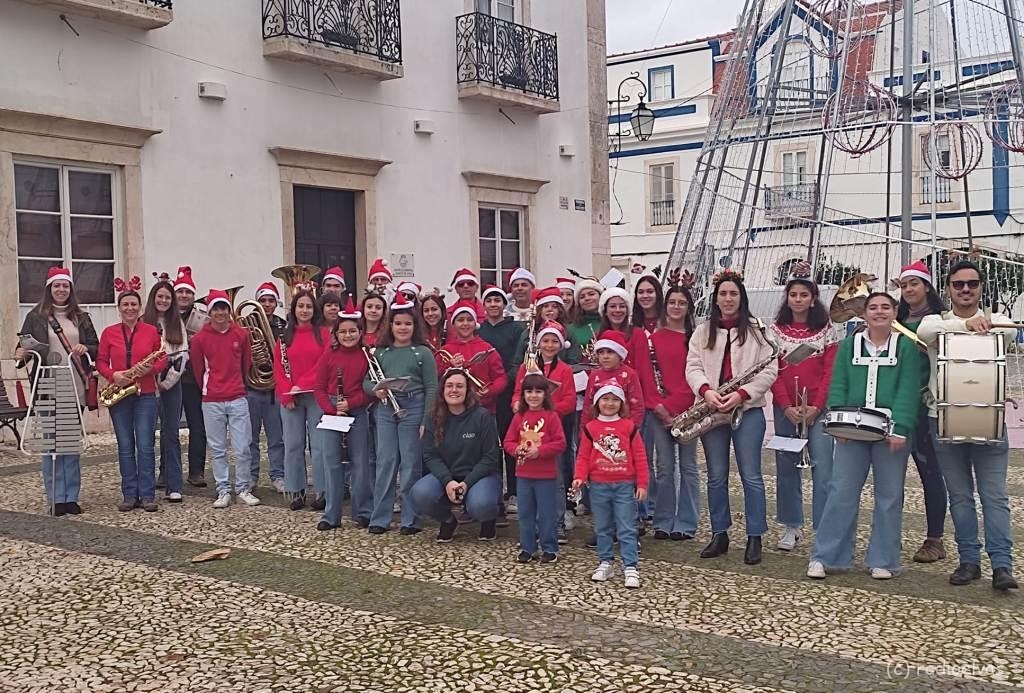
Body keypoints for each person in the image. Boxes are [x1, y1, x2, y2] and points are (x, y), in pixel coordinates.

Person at [917, 260, 1018, 591]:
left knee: (995, 496)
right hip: (942, 419)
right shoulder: (935, 320)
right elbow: (925, 333)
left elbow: (1009, 330)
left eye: (972, 284)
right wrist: (969, 326)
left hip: (988, 419)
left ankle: (1002, 565)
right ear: (948, 288)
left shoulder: (998, 321)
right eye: (958, 284)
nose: (965, 290)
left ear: (980, 288)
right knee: (960, 496)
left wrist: (979, 324)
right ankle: (968, 561)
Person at [808, 291, 920, 581]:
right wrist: (837, 423)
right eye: (873, 308)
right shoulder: (849, 345)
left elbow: (908, 389)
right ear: (865, 313)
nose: (879, 312)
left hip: (890, 432)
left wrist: (901, 428)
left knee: (889, 496)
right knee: (841, 492)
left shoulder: (906, 347)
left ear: (895, 312)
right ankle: (827, 556)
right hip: (851, 429)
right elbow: (838, 383)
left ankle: (883, 558)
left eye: (885, 307)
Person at [685, 269, 777, 566]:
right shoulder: (702, 331)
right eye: (723, 294)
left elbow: (770, 369)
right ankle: (719, 532)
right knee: (715, 476)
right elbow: (693, 366)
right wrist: (706, 392)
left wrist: (742, 394)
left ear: (742, 297)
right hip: (712, 407)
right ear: (715, 298)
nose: (728, 298)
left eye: (733, 293)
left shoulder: (758, 329)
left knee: (751, 476)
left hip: (747, 409)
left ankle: (755, 535)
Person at [16, 266, 99, 516]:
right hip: (48, 385)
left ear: (70, 289)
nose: (61, 290)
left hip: (74, 385)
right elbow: (23, 345)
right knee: (51, 445)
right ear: (49, 289)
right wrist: (21, 353)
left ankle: (71, 497)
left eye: (65, 286)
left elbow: (96, 345)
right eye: (56, 286)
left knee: (70, 444)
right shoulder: (36, 316)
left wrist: (86, 348)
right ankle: (55, 497)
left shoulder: (81, 317)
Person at [768, 262, 837, 551]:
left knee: (823, 468)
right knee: (785, 467)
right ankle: (790, 526)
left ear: (812, 299)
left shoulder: (826, 330)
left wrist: (817, 406)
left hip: (817, 411)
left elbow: (830, 372)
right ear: (788, 298)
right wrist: (785, 406)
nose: (798, 299)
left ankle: (824, 526)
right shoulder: (774, 331)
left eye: (803, 295)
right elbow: (772, 371)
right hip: (786, 409)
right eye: (793, 295)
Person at [364, 293, 438, 535]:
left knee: (410, 463)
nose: (403, 328)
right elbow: (367, 381)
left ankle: (410, 518)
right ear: (391, 326)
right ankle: (380, 517)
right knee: (385, 462)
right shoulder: (381, 352)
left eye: (407, 323)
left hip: (413, 407)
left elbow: (432, 387)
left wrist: (426, 419)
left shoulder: (422, 353)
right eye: (398, 323)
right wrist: (377, 392)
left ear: (414, 326)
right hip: (387, 408)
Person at [634, 279, 700, 541]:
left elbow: (695, 376)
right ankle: (662, 520)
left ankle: (686, 521)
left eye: (681, 303)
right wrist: (660, 408)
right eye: (672, 302)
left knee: (689, 467)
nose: (676, 307)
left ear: (688, 307)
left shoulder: (695, 339)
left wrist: (675, 408)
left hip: (689, 411)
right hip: (659, 411)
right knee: (663, 467)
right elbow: (645, 375)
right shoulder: (653, 338)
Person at [97, 277, 167, 513]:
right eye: (125, 305)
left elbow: (162, 357)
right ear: (119, 308)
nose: (130, 308)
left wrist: (152, 369)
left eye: (133, 304)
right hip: (120, 394)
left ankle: (147, 495)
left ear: (139, 307)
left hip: (145, 393)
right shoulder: (108, 333)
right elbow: (99, 361)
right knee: (125, 446)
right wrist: (113, 375)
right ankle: (129, 495)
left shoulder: (150, 331)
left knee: (146, 446)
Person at [896, 259, 949, 564]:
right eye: (903, 286)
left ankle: (935, 539)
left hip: (925, 407)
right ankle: (889, 534)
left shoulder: (941, 321)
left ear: (926, 286)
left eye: (913, 284)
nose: (908, 290)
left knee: (931, 473)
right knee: (891, 475)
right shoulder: (895, 320)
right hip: (897, 407)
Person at [190, 289, 261, 509]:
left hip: (237, 396)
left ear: (229, 310)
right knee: (218, 448)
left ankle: (243, 488)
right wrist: (211, 388)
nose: (220, 313)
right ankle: (222, 489)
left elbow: (246, 363)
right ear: (210, 312)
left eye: (224, 308)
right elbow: (198, 369)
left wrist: (235, 383)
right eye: (216, 309)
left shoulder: (241, 335)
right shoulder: (200, 339)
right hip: (211, 399)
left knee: (243, 446)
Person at [573, 382, 648, 589]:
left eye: (615, 399)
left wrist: (642, 483)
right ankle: (605, 562)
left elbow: (640, 457)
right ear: (597, 402)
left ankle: (630, 566)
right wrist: (579, 476)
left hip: (624, 484)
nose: (610, 403)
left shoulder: (629, 427)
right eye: (605, 399)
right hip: (598, 485)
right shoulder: (590, 428)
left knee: (626, 527)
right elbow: (583, 456)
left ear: (621, 403)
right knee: (602, 527)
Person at [411, 368, 502, 541]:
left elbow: (491, 457)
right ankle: (447, 520)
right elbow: (430, 455)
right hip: (448, 475)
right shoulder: (433, 417)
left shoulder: (482, 416)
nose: (454, 390)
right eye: (449, 386)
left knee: (481, 505)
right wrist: (448, 481)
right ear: (442, 390)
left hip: (481, 476)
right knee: (419, 493)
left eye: (459, 386)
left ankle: (488, 520)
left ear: (467, 390)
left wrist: (466, 483)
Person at [510, 320, 575, 540]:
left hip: (552, 428)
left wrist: (547, 411)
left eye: (554, 341)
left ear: (560, 344)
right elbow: (518, 393)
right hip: (528, 428)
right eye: (545, 341)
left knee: (555, 478)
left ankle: (555, 523)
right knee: (528, 478)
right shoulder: (525, 367)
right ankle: (532, 525)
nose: (549, 345)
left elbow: (569, 400)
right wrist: (517, 405)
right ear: (538, 344)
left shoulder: (565, 370)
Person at [312, 299, 371, 530]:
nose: (348, 335)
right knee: (332, 463)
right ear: (336, 333)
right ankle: (331, 515)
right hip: (332, 410)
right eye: (343, 331)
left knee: (360, 463)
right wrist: (330, 408)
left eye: (352, 331)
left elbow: (372, 390)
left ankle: (362, 511)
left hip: (357, 410)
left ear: (360, 332)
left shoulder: (367, 356)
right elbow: (318, 387)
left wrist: (352, 402)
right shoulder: (329, 355)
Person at [505, 373, 567, 563]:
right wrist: (517, 449)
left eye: (538, 391)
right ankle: (527, 547)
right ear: (523, 395)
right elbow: (508, 441)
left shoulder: (551, 416)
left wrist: (540, 451)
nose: (533, 395)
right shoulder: (519, 417)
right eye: (529, 391)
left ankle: (549, 547)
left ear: (545, 394)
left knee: (547, 514)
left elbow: (560, 443)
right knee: (525, 513)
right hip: (523, 474)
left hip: (546, 475)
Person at [275, 289, 328, 510]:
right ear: (294, 309)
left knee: (319, 446)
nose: (304, 310)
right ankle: (295, 491)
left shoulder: (323, 334)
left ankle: (323, 491)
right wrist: (287, 392)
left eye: (308, 306)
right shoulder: (284, 336)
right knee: (293, 445)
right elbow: (279, 367)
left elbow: (324, 364)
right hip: (290, 397)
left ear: (313, 310)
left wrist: (303, 384)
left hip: (316, 395)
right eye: (300, 306)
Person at [477, 285, 526, 520]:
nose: (494, 304)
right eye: (489, 301)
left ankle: (514, 491)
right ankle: (493, 493)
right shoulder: (479, 330)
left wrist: (505, 381)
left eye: (497, 300)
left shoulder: (515, 328)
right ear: (484, 305)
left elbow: (518, 359)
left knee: (509, 441)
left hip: (507, 391)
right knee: (488, 445)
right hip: (484, 394)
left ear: (503, 304)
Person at [142, 274, 189, 503]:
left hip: (171, 384)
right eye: (159, 296)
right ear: (153, 298)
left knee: (171, 435)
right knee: (146, 435)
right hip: (148, 384)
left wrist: (167, 381)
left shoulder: (176, 323)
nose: (163, 301)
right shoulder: (143, 322)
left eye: (167, 297)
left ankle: (174, 484)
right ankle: (147, 483)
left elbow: (182, 355)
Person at [245, 281, 287, 493]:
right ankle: (251, 476)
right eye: (263, 300)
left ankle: (278, 475)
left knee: (277, 437)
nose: (267, 304)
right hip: (252, 387)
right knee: (250, 437)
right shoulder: (247, 324)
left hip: (274, 389)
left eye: (271, 300)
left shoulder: (282, 325)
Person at [630, 271, 665, 524]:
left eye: (650, 291)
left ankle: (663, 506)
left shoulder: (669, 322)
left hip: (667, 396)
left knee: (666, 460)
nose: (645, 296)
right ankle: (646, 506)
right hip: (641, 398)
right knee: (643, 456)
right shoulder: (634, 328)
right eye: (641, 291)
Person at [440, 300, 507, 415]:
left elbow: (501, 378)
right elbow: (436, 377)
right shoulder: (445, 351)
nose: (465, 323)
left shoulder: (487, 348)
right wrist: (449, 366)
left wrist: (490, 391)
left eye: (469, 320)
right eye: (460, 320)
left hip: (484, 408)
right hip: (452, 410)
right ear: (454, 324)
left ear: (475, 323)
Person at [174, 266, 208, 487]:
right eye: (180, 292)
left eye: (188, 292)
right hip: (171, 380)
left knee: (198, 427)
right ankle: (167, 471)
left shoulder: (203, 316)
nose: (184, 295)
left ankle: (196, 471)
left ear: (193, 295)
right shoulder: (164, 315)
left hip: (195, 379)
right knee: (169, 428)